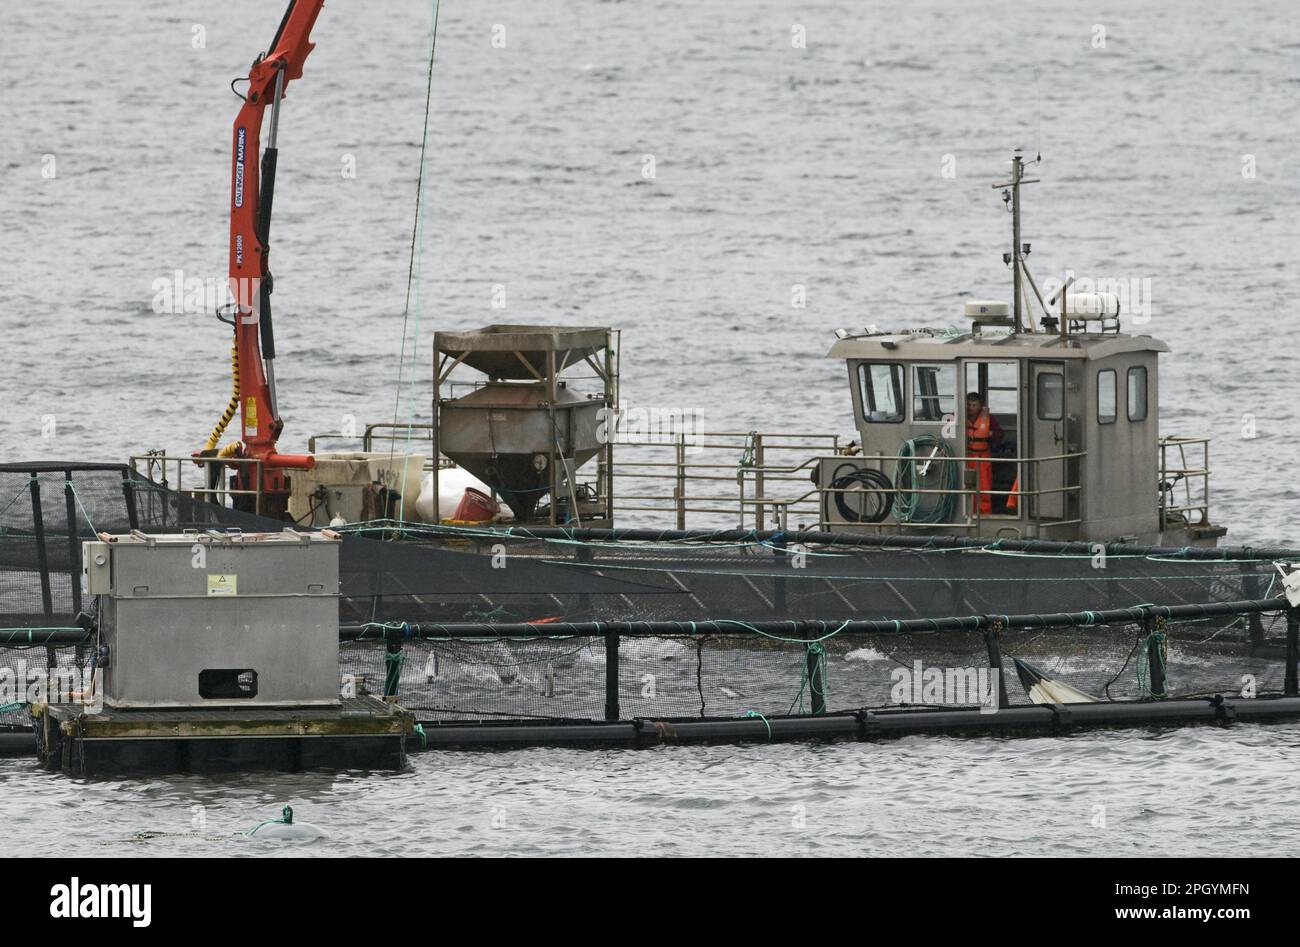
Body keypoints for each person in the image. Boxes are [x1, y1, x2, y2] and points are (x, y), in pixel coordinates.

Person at [965, 392, 1003, 514]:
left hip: (983, 456)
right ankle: (968, 511)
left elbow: (1000, 434)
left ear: (980, 406)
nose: (971, 408)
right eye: (969, 405)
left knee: (984, 487)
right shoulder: (958, 416)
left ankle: (984, 513)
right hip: (966, 456)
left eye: (974, 405)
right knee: (966, 487)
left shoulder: (989, 418)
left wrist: (992, 434)